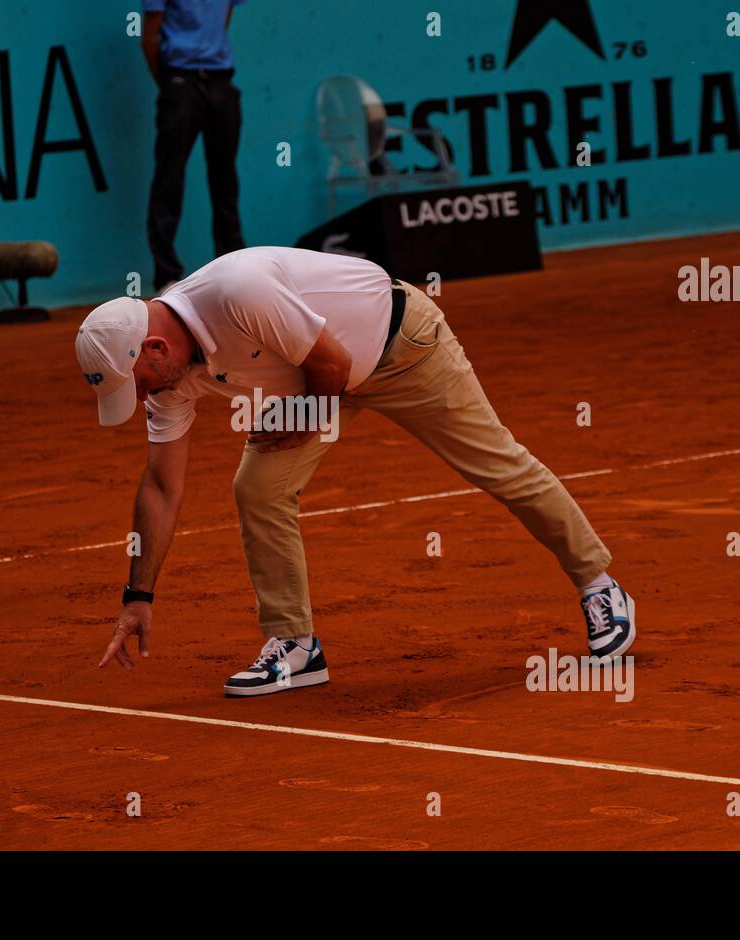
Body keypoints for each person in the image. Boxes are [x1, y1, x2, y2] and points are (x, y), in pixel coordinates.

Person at [76, 246, 637, 696]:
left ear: (153, 347)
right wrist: (137, 595)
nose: (146, 397)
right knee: (259, 488)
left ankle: (600, 586)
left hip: (402, 348)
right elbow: (161, 484)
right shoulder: (168, 375)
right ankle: (296, 648)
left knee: (496, 463)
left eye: (142, 384)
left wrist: (300, 420)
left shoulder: (238, 290)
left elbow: (334, 363)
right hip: (313, 376)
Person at [140, 0, 248, 294]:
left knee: (225, 181)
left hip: (221, 82)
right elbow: (150, 36)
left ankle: (237, 275)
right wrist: (172, 85)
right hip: (179, 81)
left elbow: (223, 19)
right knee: (168, 181)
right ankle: (166, 277)